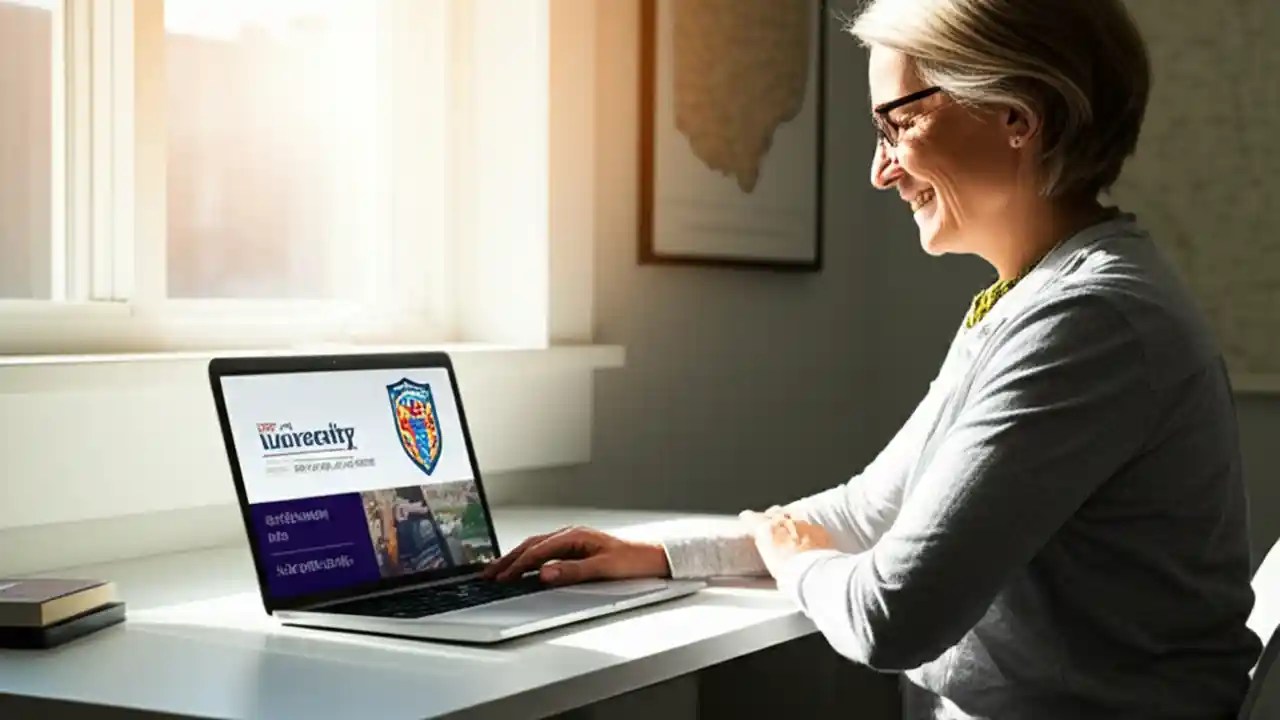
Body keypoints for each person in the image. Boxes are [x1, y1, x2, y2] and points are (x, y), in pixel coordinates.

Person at [484, 0, 1262, 716]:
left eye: (897, 124)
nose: (879, 169)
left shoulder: (1090, 319)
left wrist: (794, 562)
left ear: (1018, 116)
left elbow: (889, 618)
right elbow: (868, 511)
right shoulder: (1033, 298)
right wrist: (661, 552)